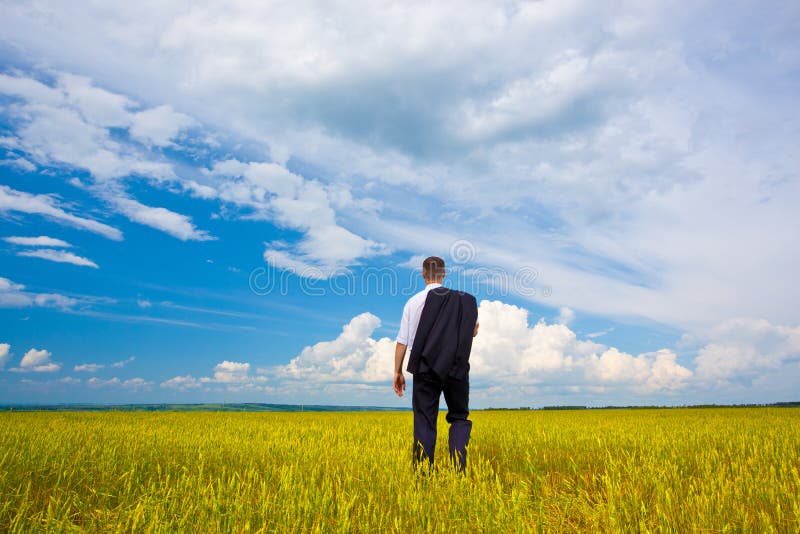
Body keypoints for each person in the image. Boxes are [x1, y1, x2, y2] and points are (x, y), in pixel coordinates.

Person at [393, 256, 479, 471]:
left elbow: (402, 341)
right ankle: (458, 470)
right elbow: (473, 331)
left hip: (425, 367)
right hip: (456, 367)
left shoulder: (413, 302)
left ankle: (423, 475)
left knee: (424, 420)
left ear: (423, 274)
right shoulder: (463, 301)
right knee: (459, 417)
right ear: (444, 273)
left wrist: (398, 371)